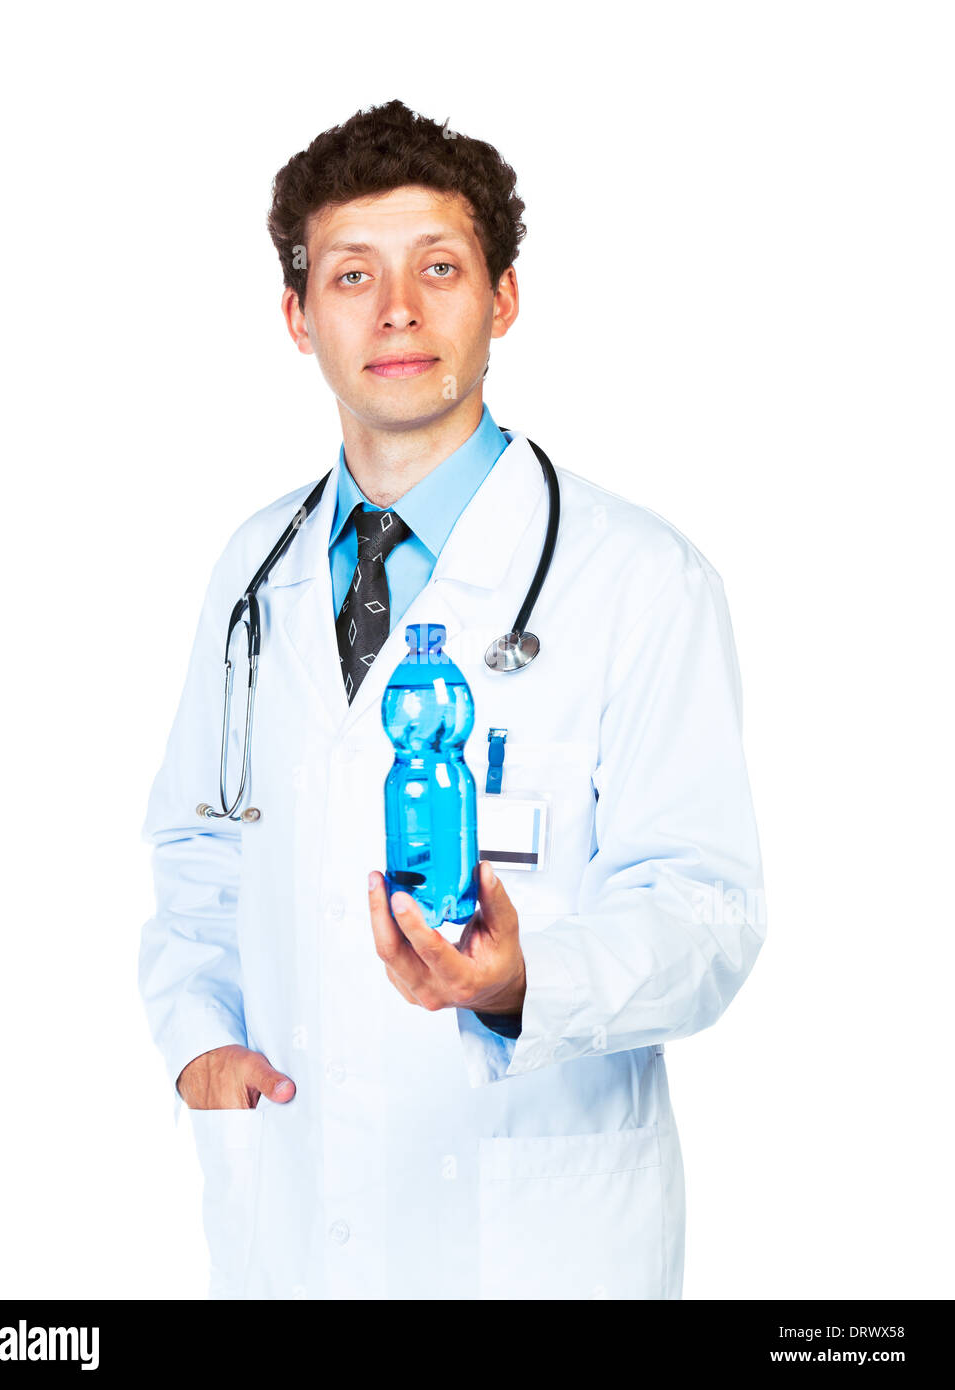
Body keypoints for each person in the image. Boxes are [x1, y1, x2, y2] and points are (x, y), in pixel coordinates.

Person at [139, 98, 766, 1301]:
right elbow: (198, 851)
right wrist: (199, 1040)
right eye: (349, 275)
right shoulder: (250, 572)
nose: (395, 312)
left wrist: (524, 982)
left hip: (537, 1247)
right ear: (295, 316)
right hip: (291, 1221)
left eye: (438, 267)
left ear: (504, 299)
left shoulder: (636, 577)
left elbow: (706, 909)